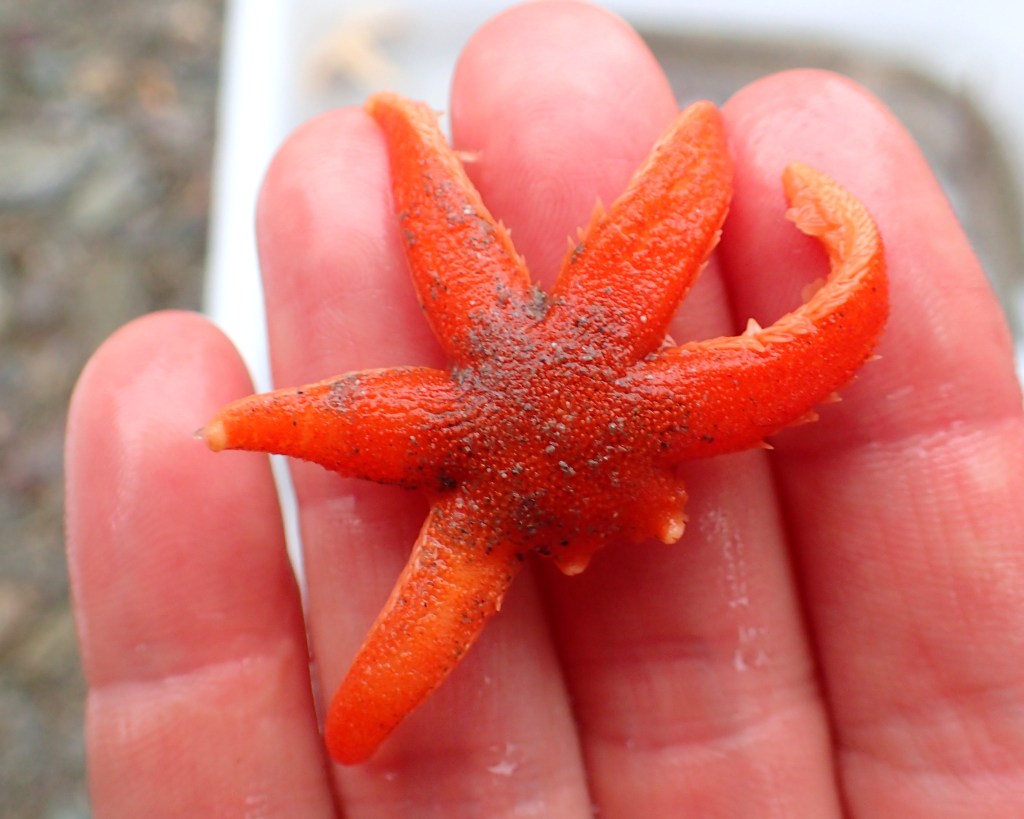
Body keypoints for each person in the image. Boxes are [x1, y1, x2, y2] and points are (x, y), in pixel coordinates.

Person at [64, 1, 1024, 815]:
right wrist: (258, 418)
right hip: (514, 456)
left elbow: (767, 250)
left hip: (536, 437)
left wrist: (406, 125)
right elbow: (721, 197)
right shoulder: (584, 386)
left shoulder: (601, 368)